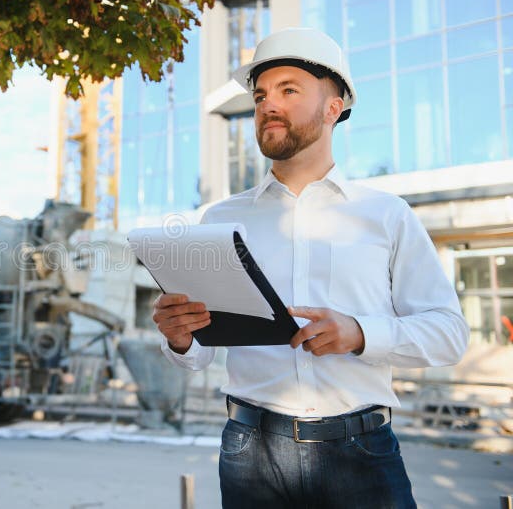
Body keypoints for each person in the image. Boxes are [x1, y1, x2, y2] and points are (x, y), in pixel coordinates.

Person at [152, 27, 469, 508]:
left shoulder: (387, 215)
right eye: (260, 96)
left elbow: (449, 333)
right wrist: (179, 335)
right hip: (250, 452)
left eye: (288, 91)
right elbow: (198, 352)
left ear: (333, 106)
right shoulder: (220, 221)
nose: (267, 106)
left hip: (362, 452)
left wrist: (361, 333)